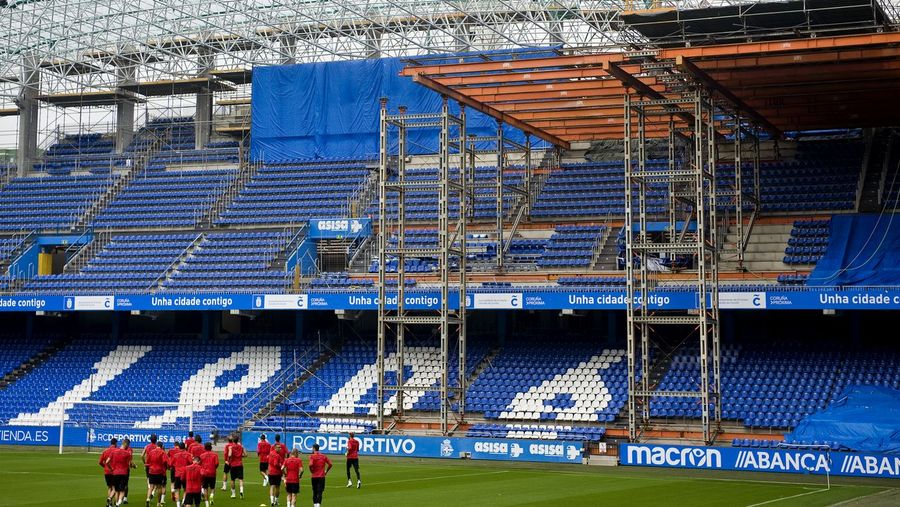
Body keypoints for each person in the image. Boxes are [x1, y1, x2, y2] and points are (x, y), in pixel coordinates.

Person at [106, 438, 136, 507]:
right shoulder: (127, 453)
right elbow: (130, 463)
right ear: (126, 444)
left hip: (115, 473)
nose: (128, 446)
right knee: (122, 491)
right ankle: (118, 504)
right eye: (128, 445)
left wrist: (111, 469)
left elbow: (107, 462)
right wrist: (134, 466)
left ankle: (110, 498)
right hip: (123, 473)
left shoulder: (114, 452)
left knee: (116, 490)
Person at [146, 441, 169, 507]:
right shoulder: (162, 452)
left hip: (151, 471)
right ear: (162, 446)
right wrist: (167, 467)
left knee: (151, 487)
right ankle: (158, 503)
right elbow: (165, 462)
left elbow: (148, 461)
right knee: (159, 487)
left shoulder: (151, 452)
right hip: (159, 472)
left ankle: (147, 499)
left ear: (156, 445)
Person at [171, 442, 191, 507]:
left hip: (177, 475)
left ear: (179, 447)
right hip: (185, 474)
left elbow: (171, 464)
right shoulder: (188, 455)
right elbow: (191, 462)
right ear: (185, 447)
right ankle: (183, 502)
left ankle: (178, 505)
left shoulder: (175, 455)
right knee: (185, 489)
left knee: (177, 490)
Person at [226, 434, 247, 499]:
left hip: (233, 465)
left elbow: (229, 455)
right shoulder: (241, 446)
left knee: (232, 480)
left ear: (233, 440)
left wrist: (228, 460)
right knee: (241, 479)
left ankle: (233, 494)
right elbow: (246, 455)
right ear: (238, 440)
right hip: (240, 465)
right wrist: (240, 456)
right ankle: (241, 491)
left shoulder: (231, 447)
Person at [199, 442, 219, 507]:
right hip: (212, 473)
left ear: (205, 448)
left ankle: (207, 504)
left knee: (205, 488)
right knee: (212, 487)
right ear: (211, 447)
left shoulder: (201, 456)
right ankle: (211, 496)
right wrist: (213, 468)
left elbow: (199, 464)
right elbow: (216, 464)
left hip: (204, 474)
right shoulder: (215, 455)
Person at [100, 438, 118, 507]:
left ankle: (109, 504)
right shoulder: (117, 450)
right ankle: (113, 502)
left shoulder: (105, 451)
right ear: (116, 443)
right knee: (115, 488)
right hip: (114, 472)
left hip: (106, 472)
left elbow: (100, 462)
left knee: (109, 487)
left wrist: (105, 467)